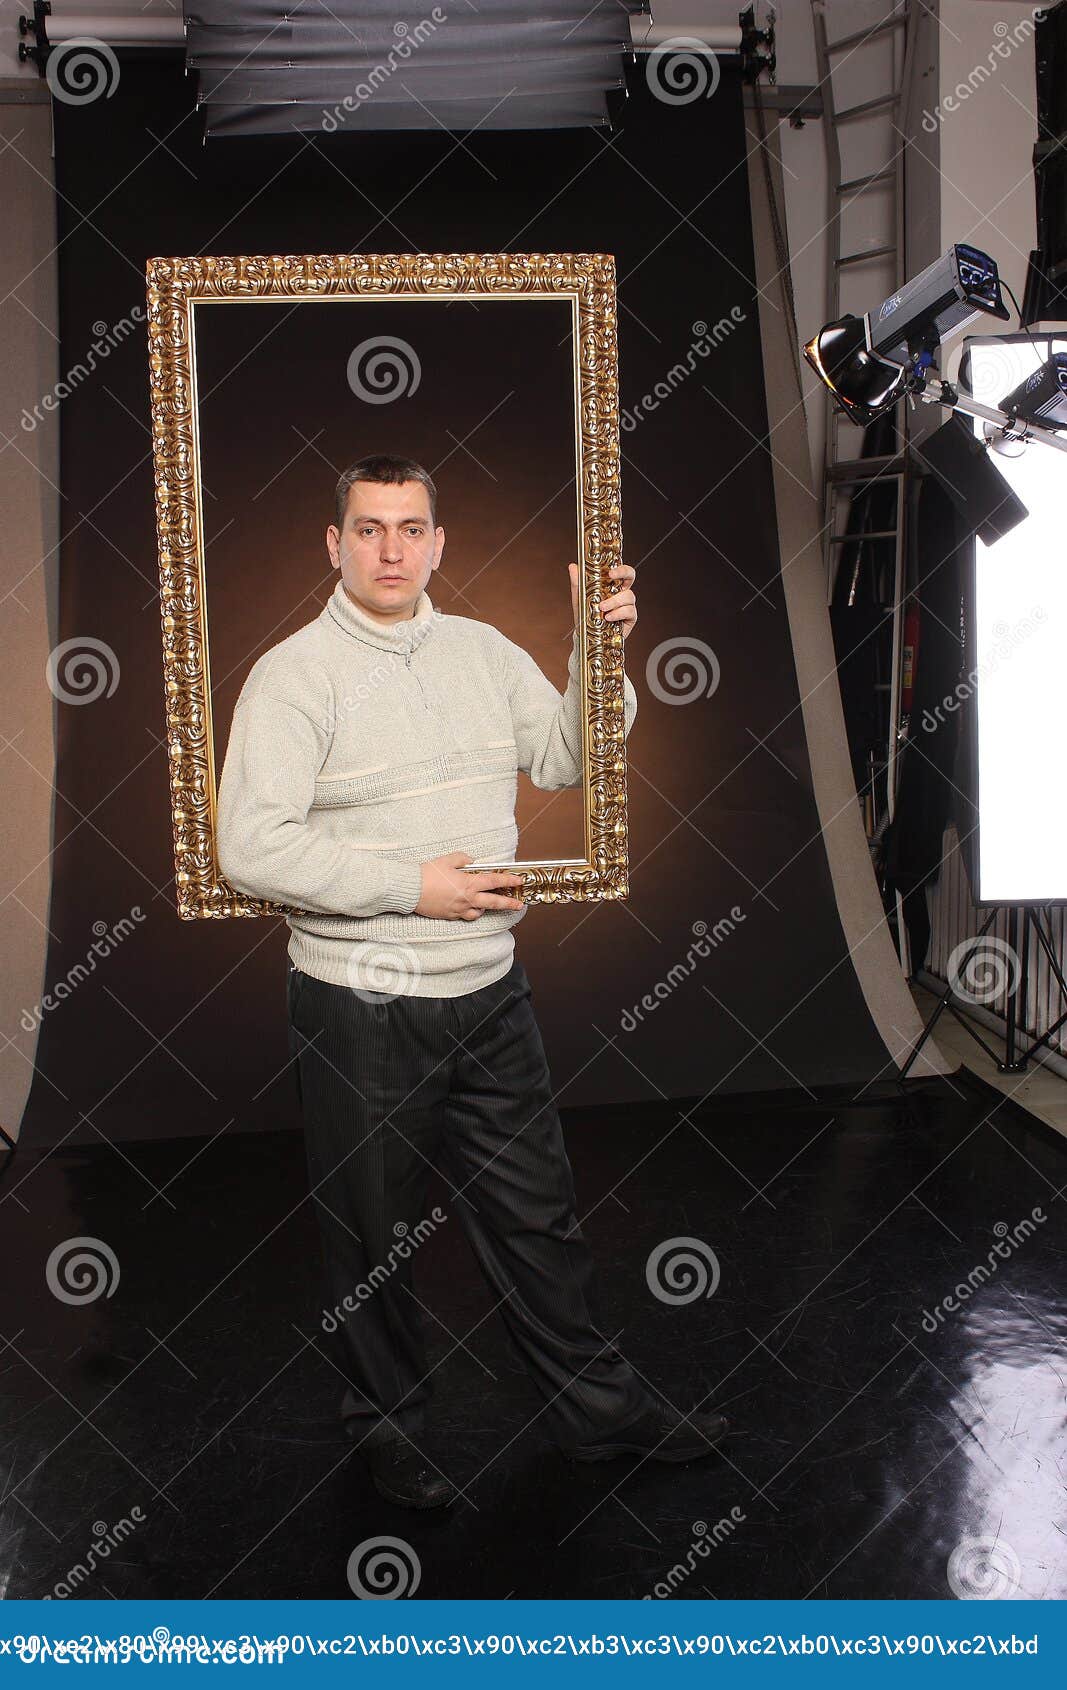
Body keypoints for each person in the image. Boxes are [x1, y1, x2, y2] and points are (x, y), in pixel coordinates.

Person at [216, 454, 728, 1508]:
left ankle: (599, 1414)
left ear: (440, 544)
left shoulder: (484, 652)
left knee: (537, 1218)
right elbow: (250, 848)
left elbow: (566, 758)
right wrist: (413, 886)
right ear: (334, 543)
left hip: (489, 993)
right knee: (371, 1238)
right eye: (368, 529)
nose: (391, 548)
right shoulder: (292, 674)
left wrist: (600, 647)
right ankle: (388, 1430)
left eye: (410, 528)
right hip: (360, 1002)